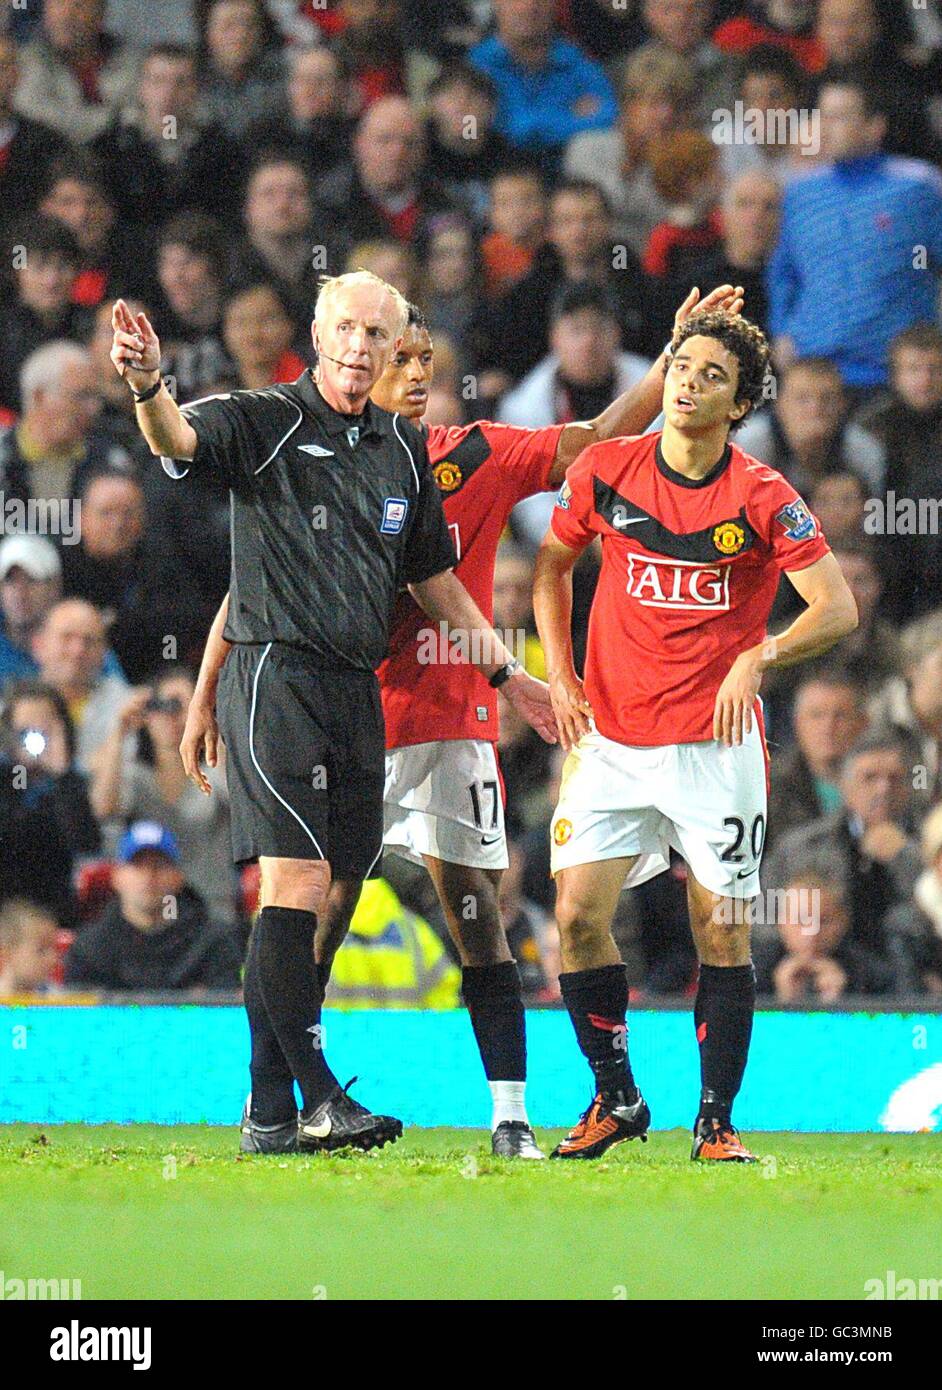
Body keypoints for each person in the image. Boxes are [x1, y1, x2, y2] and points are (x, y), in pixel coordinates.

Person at [182, 285, 744, 1157]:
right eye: (392, 357)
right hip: (333, 705)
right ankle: (282, 1100)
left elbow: (589, 445)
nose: (407, 374)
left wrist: (671, 357)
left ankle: (509, 1114)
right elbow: (249, 583)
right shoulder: (326, 448)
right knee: (314, 911)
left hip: (447, 717)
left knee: (476, 912)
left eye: (419, 361)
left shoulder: (462, 456)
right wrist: (204, 690)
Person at [110, 270, 556, 1158]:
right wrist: (148, 384)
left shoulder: (400, 449)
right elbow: (178, 437)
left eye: (375, 335)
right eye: (344, 329)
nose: (359, 347)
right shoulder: (262, 419)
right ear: (318, 334)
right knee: (298, 888)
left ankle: (270, 1115)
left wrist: (513, 679)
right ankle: (316, 1093)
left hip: (358, 688)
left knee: (322, 889)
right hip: (277, 674)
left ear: (395, 348)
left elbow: (435, 585)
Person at [533, 309, 858, 1162]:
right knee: (575, 917)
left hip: (714, 748)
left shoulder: (762, 495)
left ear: (740, 402)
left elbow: (837, 607)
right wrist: (561, 677)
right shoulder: (605, 469)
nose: (687, 382)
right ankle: (615, 1096)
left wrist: (764, 655)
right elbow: (552, 568)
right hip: (610, 740)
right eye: (682, 364)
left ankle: (715, 1122)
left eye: (712, 375)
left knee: (721, 928)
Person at [767, 76, 942, 391]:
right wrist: (782, 331)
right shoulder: (800, 193)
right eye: (822, 116)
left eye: (839, 117)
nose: (825, 126)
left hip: (894, 375)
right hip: (812, 373)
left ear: (874, 126)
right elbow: (784, 273)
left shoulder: (918, 188)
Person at [90, 666, 238, 926]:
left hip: (212, 915)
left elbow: (240, 801)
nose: (173, 716)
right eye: (164, 705)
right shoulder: (136, 778)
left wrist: (212, 719)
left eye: (185, 707)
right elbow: (104, 807)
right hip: (147, 915)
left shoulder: (214, 773)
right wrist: (120, 729)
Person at [64, 821, 241, 992]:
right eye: (137, 865)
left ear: (178, 877)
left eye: (159, 865)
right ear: (117, 877)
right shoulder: (90, 949)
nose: (149, 876)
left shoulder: (211, 942)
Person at [467, 0, 617, 166]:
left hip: (567, 177)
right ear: (496, 4)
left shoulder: (574, 60)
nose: (529, 6)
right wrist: (568, 118)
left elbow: (609, 115)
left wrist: (519, 126)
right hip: (497, 174)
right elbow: (470, 129)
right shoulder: (476, 65)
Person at [12, 0, 141, 144]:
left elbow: (143, 118)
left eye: (79, 5)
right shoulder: (27, 62)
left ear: (101, 14)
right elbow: (37, 118)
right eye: (59, 4)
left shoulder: (131, 61)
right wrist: (114, 122)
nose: (66, 15)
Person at [326, 877, 462, 1010]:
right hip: (406, 1032)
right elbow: (447, 1003)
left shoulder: (315, 933)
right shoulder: (414, 931)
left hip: (333, 1032)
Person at [33, 598, 129, 770]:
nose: (78, 650)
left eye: (89, 641)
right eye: (67, 637)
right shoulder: (13, 705)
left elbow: (127, 774)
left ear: (103, 653)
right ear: (39, 645)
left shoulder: (123, 706)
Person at [0, 535, 63, 687]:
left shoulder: (80, 643)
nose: (20, 592)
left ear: (54, 587)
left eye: (31, 579)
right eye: (10, 580)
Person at [0, 900, 61, 995]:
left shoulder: (56, 999)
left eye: (54, 949)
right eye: (41, 950)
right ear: (7, 953)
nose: (53, 959)